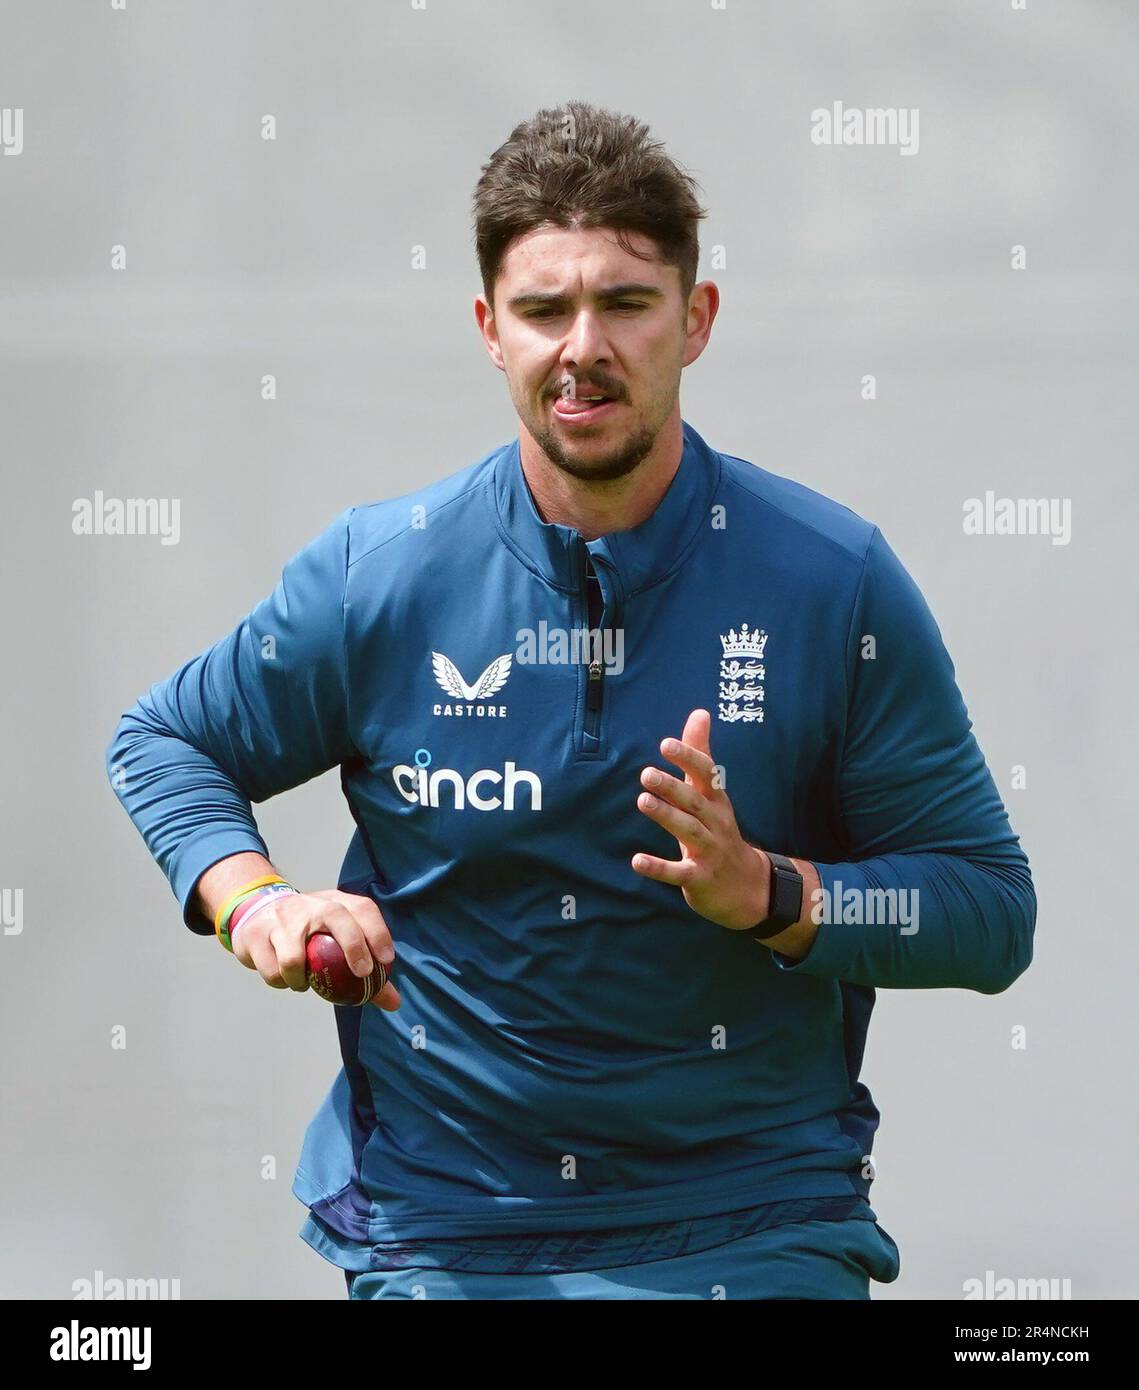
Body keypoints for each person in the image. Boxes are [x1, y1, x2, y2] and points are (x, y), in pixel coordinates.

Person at [107, 101, 1035, 1300]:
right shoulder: (381, 573)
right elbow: (167, 738)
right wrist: (259, 904)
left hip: (749, 1226)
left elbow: (985, 913)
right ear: (490, 330)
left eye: (625, 304)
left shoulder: (829, 580)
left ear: (694, 321)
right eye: (544, 309)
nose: (580, 345)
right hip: (447, 1231)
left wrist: (769, 894)